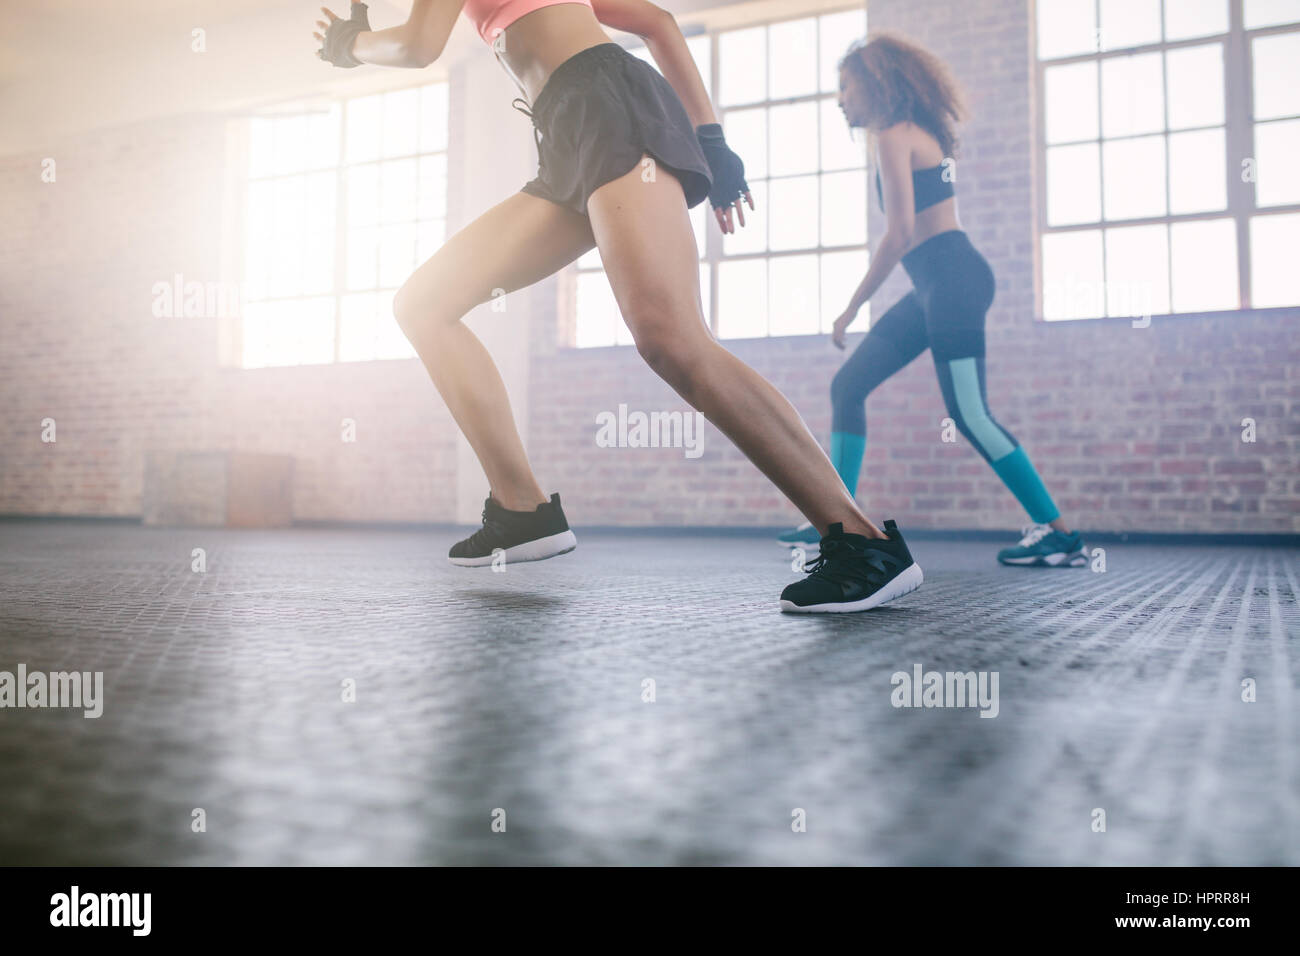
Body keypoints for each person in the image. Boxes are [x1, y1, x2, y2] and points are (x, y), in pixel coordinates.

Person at [314, 0, 924, 611]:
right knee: (425, 303)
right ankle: (522, 508)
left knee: (672, 340)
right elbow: (656, 20)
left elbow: (419, 46)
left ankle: (862, 542)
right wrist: (708, 137)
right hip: (568, 128)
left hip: (606, 104)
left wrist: (351, 43)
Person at [777, 32, 1087, 569]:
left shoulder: (896, 135)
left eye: (846, 87)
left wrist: (852, 307)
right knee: (847, 385)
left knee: (969, 412)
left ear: (874, 84)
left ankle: (1059, 532)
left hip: (954, 278)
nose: (840, 99)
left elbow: (898, 234)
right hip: (937, 284)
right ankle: (836, 521)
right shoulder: (903, 134)